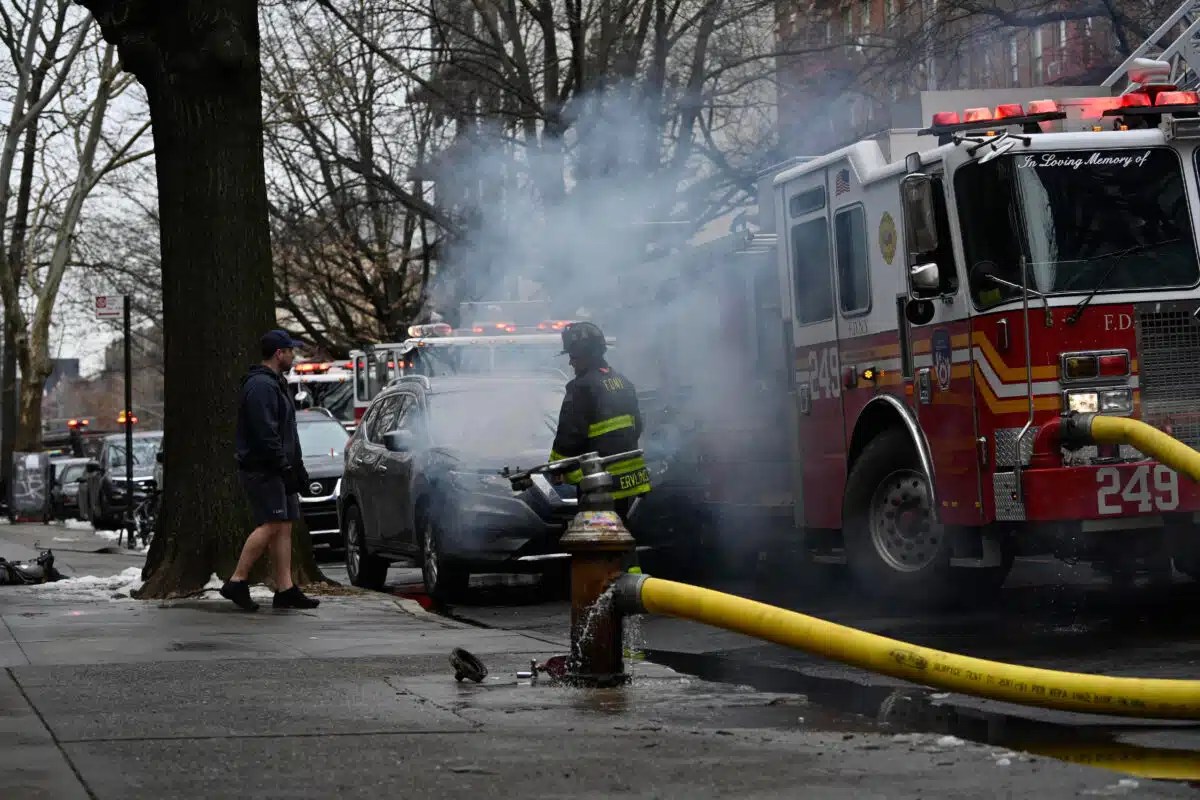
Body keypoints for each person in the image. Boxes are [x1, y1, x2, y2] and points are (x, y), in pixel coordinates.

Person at [221, 330, 320, 612]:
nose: (294, 356)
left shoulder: (276, 384)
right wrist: (283, 465)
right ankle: (237, 581)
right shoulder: (261, 387)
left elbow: (287, 430)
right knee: (272, 523)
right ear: (279, 353)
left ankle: (285, 588)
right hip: (264, 469)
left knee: (285, 524)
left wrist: (296, 466)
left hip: (278, 467)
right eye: (291, 351)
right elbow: (266, 433)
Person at [549, 322, 651, 520]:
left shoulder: (582, 387)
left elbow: (570, 434)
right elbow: (637, 426)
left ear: (587, 355)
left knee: (597, 543)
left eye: (573, 356)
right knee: (621, 539)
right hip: (630, 482)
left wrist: (557, 467)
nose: (571, 363)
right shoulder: (623, 382)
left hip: (599, 484)